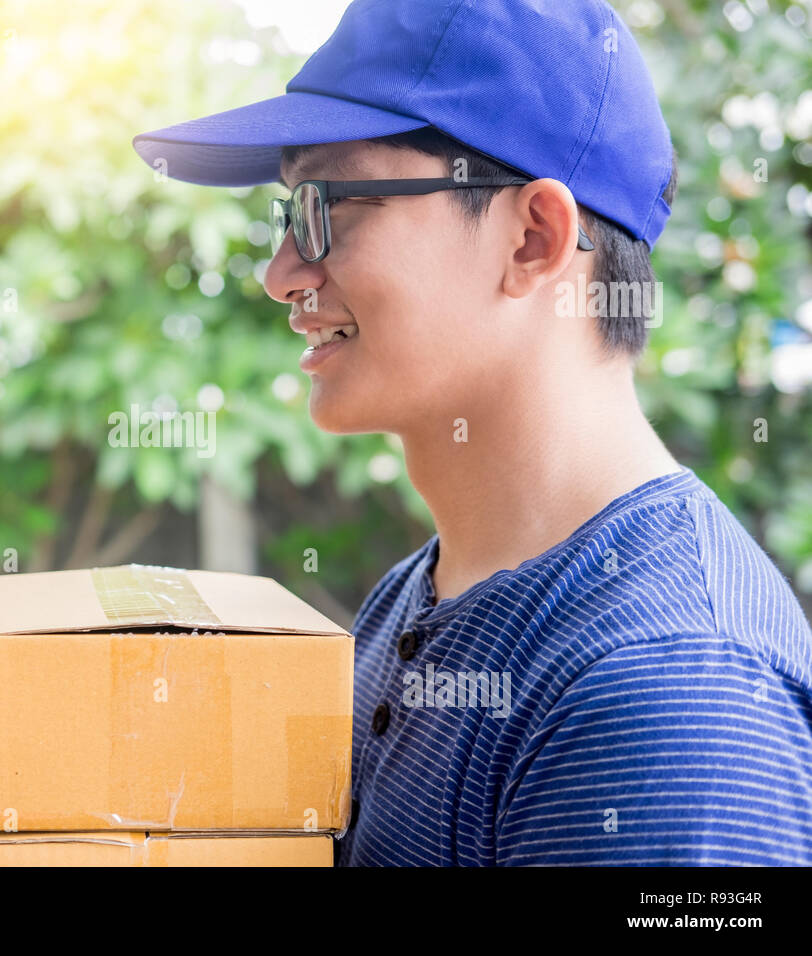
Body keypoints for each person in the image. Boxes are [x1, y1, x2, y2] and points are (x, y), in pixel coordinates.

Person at [133, 0, 812, 865]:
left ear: (533, 240)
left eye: (327, 206)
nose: (281, 276)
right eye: (287, 213)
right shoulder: (424, 593)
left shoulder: (666, 692)